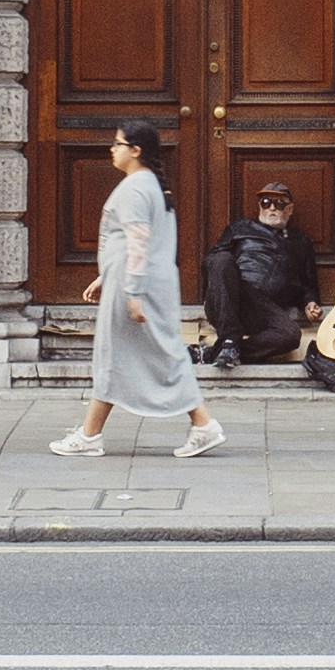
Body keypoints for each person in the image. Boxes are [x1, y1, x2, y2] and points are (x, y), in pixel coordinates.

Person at [49, 119, 225, 463]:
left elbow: (139, 240)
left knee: (126, 355)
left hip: (136, 285)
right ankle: (92, 433)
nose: (111, 150)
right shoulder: (153, 187)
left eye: (118, 144)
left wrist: (131, 291)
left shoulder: (134, 188)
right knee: (147, 354)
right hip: (143, 281)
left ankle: (91, 435)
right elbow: (137, 243)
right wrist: (110, 278)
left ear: (136, 150)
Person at [201, 183, 323, 372]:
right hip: (230, 300)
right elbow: (211, 264)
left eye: (279, 204)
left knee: (290, 335)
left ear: (290, 209)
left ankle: (216, 352)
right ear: (260, 207)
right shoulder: (240, 228)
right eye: (266, 203)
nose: (272, 208)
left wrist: (309, 302)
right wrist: (210, 294)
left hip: (265, 309)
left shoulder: (300, 241)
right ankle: (229, 337)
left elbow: (307, 283)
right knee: (220, 258)